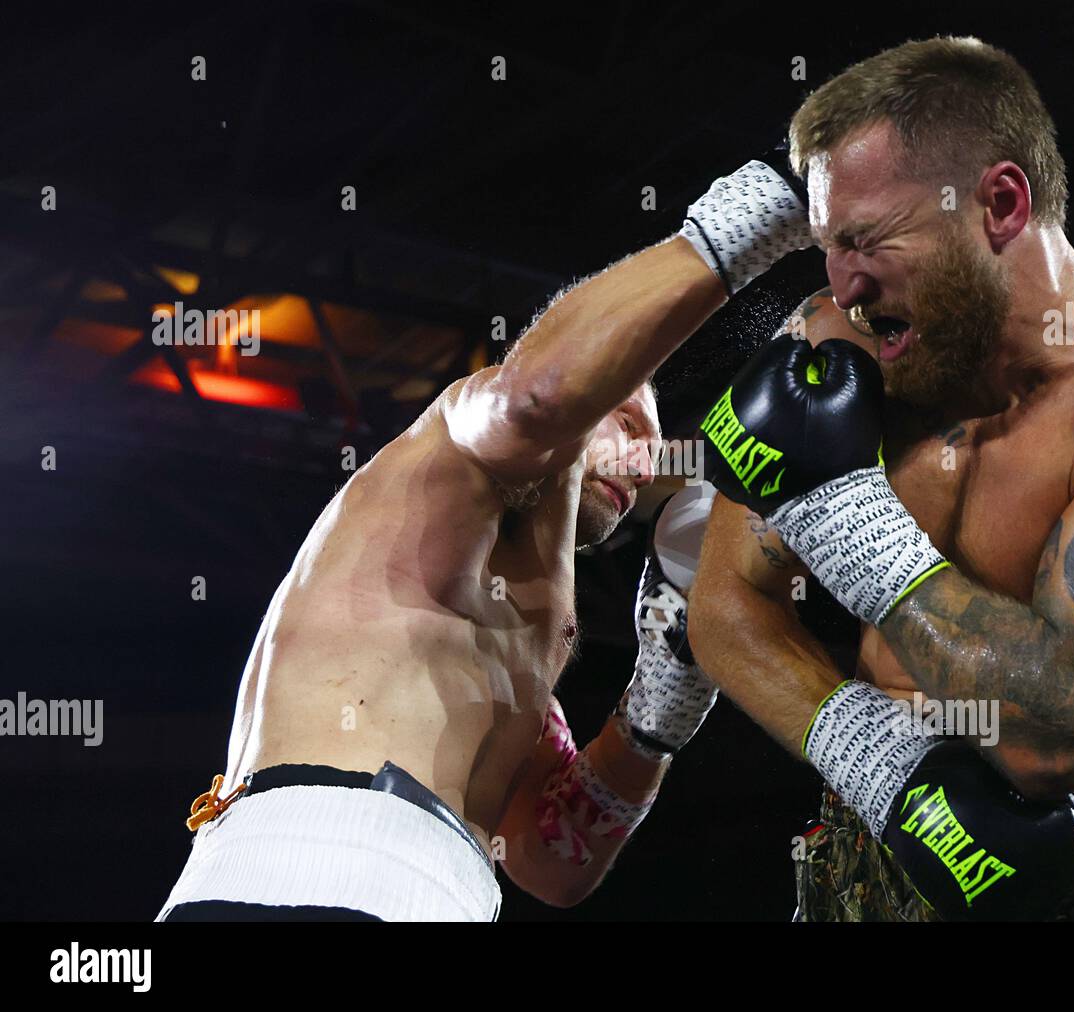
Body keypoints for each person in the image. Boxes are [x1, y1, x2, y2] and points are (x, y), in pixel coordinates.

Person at [688, 36, 1074, 921]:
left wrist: (853, 522)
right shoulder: (836, 349)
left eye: (866, 240)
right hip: (871, 836)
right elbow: (725, 604)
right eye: (826, 246)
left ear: (1001, 203)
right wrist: (887, 772)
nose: (841, 285)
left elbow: (1060, 735)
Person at [156, 150, 814, 921]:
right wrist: (758, 219)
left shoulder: (508, 646)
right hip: (315, 869)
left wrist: (669, 678)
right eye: (628, 420)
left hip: (427, 887)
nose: (645, 461)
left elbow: (553, 861)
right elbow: (538, 396)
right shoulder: (452, 443)